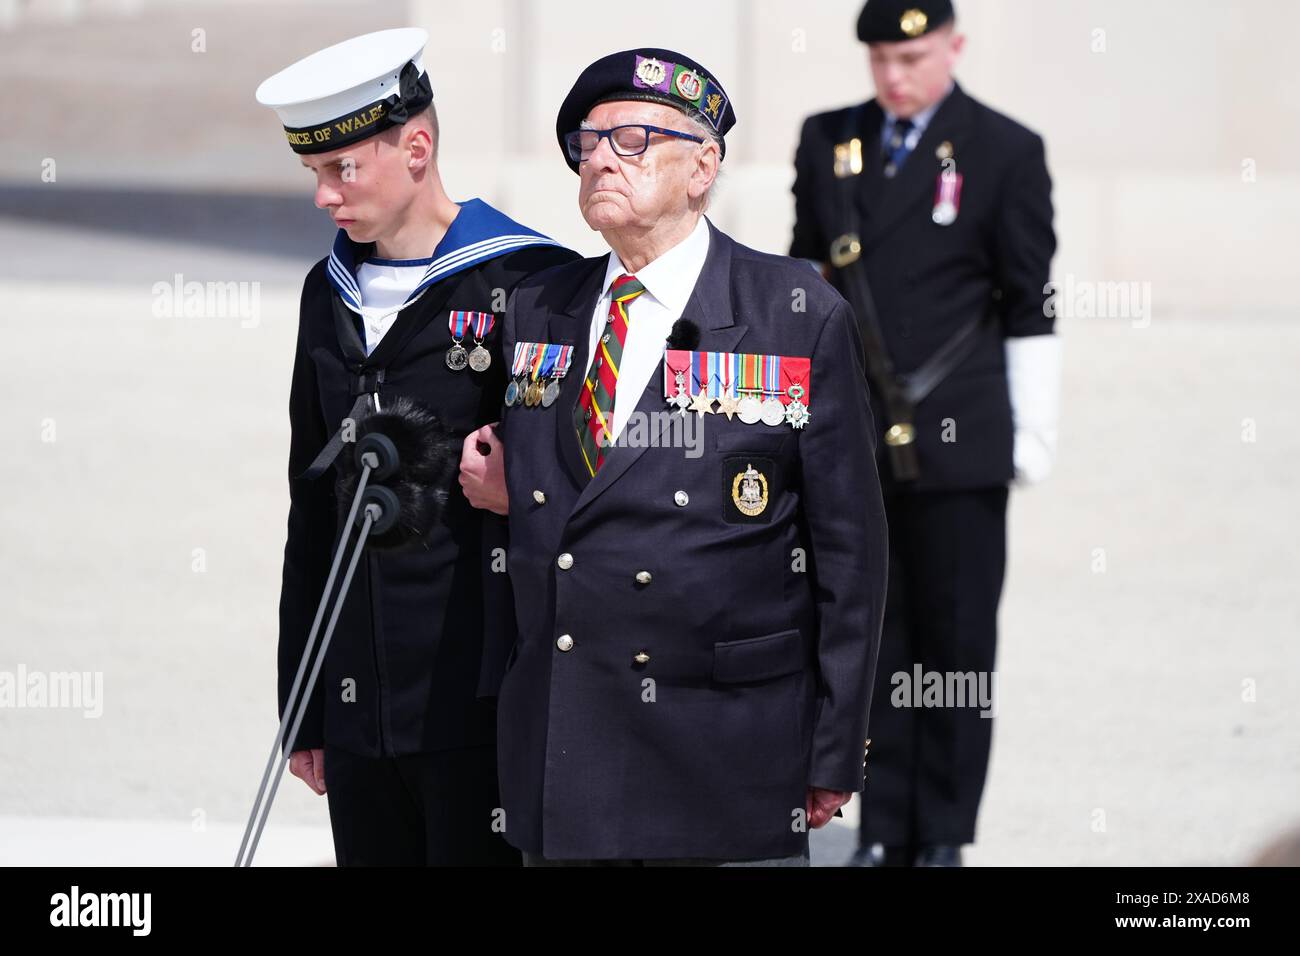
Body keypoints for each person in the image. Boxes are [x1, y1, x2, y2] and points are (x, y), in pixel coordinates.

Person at [459, 48, 888, 865]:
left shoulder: (794, 315)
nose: (598, 161)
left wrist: (835, 746)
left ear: (702, 168)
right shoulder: (538, 309)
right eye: (587, 144)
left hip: (724, 750)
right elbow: (563, 497)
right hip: (567, 739)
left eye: (630, 141)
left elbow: (850, 553)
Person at [255, 27, 578, 865]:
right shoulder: (325, 294)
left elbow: (581, 491)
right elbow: (311, 503)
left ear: (418, 148)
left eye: (342, 169)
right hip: (361, 701)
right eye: (315, 175)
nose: (325, 196)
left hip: (479, 700)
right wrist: (306, 701)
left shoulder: (531, 282)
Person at [790, 0, 1061, 866]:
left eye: (912, 57)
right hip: (854, 431)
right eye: (880, 59)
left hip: (960, 436)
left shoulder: (1005, 150)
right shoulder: (828, 138)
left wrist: (1033, 429)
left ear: (954, 48)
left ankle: (941, 832)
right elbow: (802, 281)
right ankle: (883, 826)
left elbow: (1030, 302)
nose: (894, 76)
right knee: (872, 636)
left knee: (955, 642)